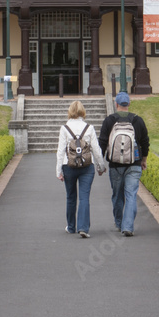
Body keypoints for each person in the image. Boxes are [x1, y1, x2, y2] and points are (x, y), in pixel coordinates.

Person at [98, 91, 150, 237]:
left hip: (115, 165)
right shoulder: (137, 120)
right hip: (134, 163)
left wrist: (100, 163)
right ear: (129, 104)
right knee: (131, 195)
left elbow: (102, 143)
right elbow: (145, 142)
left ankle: (119, 222)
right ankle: (128, 226)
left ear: (116, 104)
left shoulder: (109, 120)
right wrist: (144, 159)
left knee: (117, 195)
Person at [56, 100, 106, 238]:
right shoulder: (89, 128)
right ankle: (83, 227)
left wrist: (58, 171)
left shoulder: (64, 128)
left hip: (68, 166)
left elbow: (60, 151)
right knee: (84, 197)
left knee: (71, 197)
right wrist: (100, 166)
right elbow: (96, 149)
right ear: (82, 112)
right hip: (87, 166)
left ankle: (71, 226)